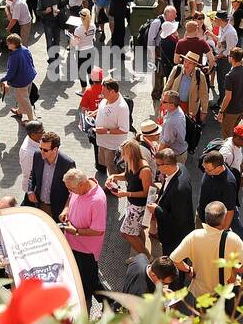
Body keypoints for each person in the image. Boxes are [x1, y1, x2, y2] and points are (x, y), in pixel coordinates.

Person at [170, 200, 243, 309]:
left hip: (201, 294)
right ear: (223, 219)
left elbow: (174, 259)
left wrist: (188, 269)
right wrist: (234, 270)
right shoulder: (232, 238)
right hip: (224, 293)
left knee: (201, 322)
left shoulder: (194, 236)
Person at [59, 168, 107, 312]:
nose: (70, 191)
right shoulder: (77, 188)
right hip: (72, 244)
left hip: (86, 250)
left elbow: (98, 231)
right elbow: (70, 197)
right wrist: (66, 209)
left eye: (72, 188)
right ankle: (84, 300)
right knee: (79, 276)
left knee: (92, 281)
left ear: (81, 184)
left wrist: (77, 231)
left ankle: (111, 303)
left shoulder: (97, 200)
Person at [107, 138, 153, 256]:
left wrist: (126, 194)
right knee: (137, 230)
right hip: (132, 203)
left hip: (139, 206)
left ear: (131, 153)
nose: (122, 156)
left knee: (126, 233)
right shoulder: (130, 162)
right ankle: (142, 253)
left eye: (124, 154)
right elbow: (127, 176)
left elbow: (145, 192)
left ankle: (146, 256)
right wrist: (114, 176)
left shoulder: (145, 170)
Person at [149, 147, 195, 261]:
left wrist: (157, 209)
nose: (157, 167)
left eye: (158, 165)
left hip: (175, 236)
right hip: (174, 231)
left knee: (174, 260)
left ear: (167, 166)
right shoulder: (180, 167)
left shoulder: (179, 190)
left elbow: (178, 220)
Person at [28, 130, 75, 219]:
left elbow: (72, 191)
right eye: (40, 148)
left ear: (55, 149)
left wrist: (66, 209)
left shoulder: (67, 164)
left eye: (45, 150)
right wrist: (30, 190)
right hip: (39, 205)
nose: (41, 151)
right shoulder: (37, 155)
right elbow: (32, 174)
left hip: (57, 209)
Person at [92, 77, 130, 172]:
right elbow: (105, 109)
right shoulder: (107, 99)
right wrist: (96, 112)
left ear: (112, 92)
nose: (101, 92)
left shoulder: (121, 108)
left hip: (112, 146)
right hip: (102, 142)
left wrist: (106, 131)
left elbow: (124, 129)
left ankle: (113, 186)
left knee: (112, 169)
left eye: (104, 91)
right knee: (106, 164)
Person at [4, 33, 36, 120]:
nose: (7, 44)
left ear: (14, 44)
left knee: (25, 100)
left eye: (9, 43)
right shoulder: (25, 49)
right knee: (20, 97)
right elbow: (31, 62)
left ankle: (32, 121)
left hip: (22, 81)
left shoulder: (14, 56)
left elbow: (11, 72)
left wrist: (2, 79)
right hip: (29, 77)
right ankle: (19, 111)